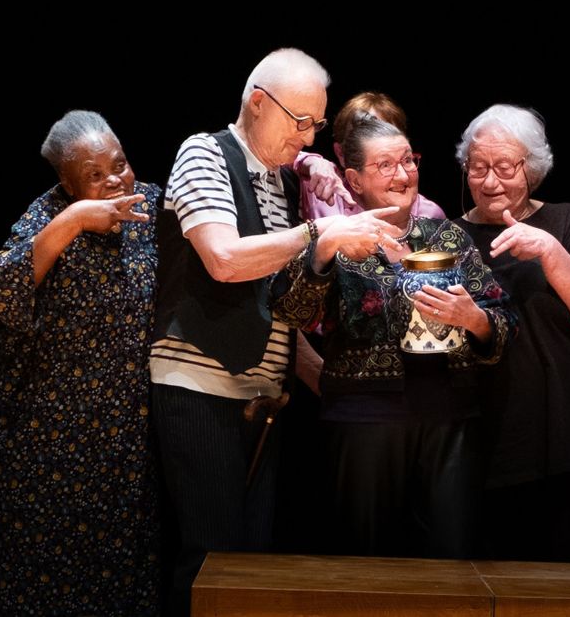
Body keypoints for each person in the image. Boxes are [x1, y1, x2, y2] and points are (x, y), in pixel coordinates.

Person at [150, 48, 398, 615]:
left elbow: (280, 296)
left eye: (317, 125)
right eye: (301, 121)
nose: (309, 138)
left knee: (250, 563)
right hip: (199, 386)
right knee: (212, 563)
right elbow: (224, 259)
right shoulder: (204, 152)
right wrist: (317, 230)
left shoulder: (284, 181)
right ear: (258, 104)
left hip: (259, 397)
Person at [272, 115, 515, 559]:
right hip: (363, 423)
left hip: (449, 421)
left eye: (408, 160)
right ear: (354, 179)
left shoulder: (448, 236)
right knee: (365, 561)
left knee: (451, 560)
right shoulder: (336, 238)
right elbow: (290, 310)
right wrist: (324, 250)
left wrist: (474, 319)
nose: (403, 174)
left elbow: (503, 320)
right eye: (385, 165)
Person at [0, 110, 161, 616]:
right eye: (94, 175)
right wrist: (70, 222)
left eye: (120, 163)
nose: (114, 179)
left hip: (119, 442)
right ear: (66, 186)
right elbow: (2, 286)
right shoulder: (49, 213)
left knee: (117, 582)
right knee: (36, 588)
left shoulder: (153, 207)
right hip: (35, 439)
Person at [452, 104, 570, 561]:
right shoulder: (449, 236)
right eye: (478, 167)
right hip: (479, 425)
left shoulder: (565, 221)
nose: (490, 181)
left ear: (532, 168)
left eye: (505, 166)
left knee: (559, 568)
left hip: (559, 424)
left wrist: (550, 252)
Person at [295, 91, 445, 220]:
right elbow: (277, 155)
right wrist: (312, 162)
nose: (401, 175)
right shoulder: (320, 188)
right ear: (340, 153)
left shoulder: (429, 215)